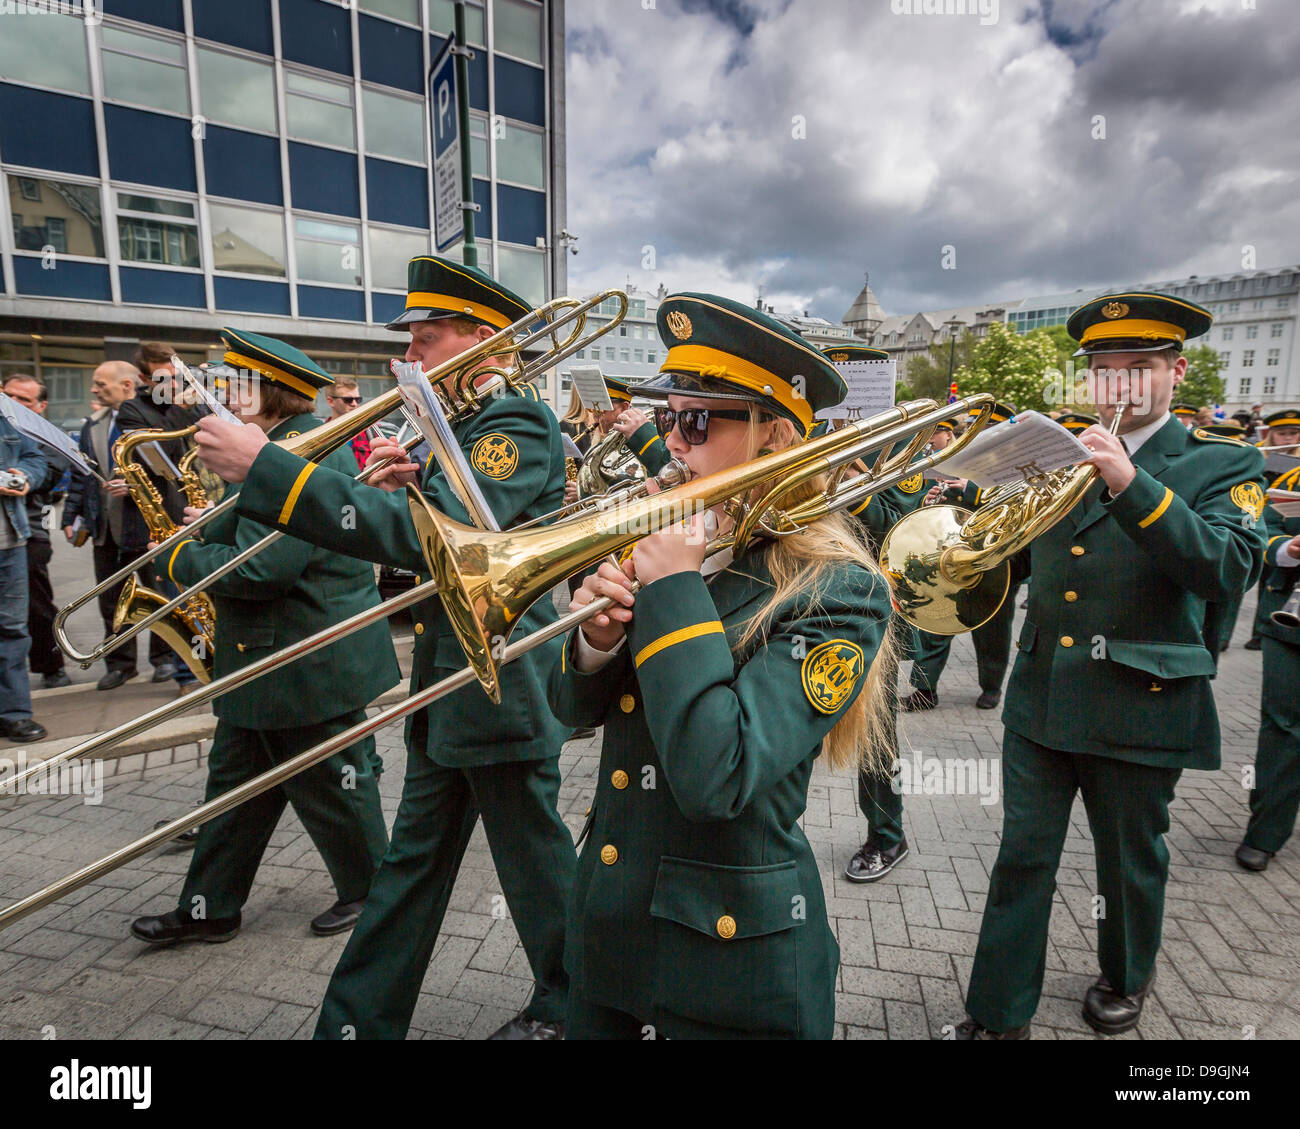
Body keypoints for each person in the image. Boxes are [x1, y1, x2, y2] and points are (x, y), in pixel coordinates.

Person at [193, 255, 576, 1041]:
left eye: (427, 340)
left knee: (535, 867)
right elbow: (424, 530)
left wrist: (270, 470)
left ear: (484, 339)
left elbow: (441, 544)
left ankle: (579, 1005)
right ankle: (358, 1020)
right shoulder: (460, 424)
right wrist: (403, 483)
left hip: (499, 678)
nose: (412, 358)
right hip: (452, 679)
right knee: (410, 869)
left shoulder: (516, 421)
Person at [551, 293, 897, 1039]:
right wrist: (597, 638)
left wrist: (672, 590)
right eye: (670, 417)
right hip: (612, 929)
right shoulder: (682, 540)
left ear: (774, 436)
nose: (673, 441)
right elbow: (573, 712)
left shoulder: (838, 589)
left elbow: (717, 773)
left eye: (699, 420)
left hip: (731, 962)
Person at [955, 292, 1265, 1040]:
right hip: (1043, 697)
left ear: (1177, 372)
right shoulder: (1055, 450)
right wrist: (971, 527)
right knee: (1022, 856)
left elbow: (1227, 567)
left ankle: (1126, 974)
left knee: (1129, 862)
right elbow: (1012, 566)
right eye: (1102, 369)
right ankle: (998, 1012)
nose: (1118, 383)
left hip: (1142, 696)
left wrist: (1130, 483)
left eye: (1140, 367)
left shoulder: (1221, 462)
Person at [129, 330, 398, 944]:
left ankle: (375, 891)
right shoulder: (269, 447)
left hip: (305, 658)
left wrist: (175, 560)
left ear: (266, 393)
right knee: (234, 792)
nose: (220, 392)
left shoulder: (298, 453)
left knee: (335, 786)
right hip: (266, 656)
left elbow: (261, 570)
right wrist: (211, 523)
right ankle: (210, 909)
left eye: (233, 383)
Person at [819, 343, 925, 883]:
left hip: (869, 608)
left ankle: (888, 835)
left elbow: (902, 529)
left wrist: (850, 481)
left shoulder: (900, 445)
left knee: (874, 736)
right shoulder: (807, 436)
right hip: (804, 597)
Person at [902, 401, 1023, 713]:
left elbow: (1017, 504)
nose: (977, 433)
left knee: (992, 630)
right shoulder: (960, 456)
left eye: (986, 429)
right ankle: (925, 688)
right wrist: (928, 500)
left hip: (994, 560)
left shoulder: (1018, 462)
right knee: (936, 621)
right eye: (975, 428)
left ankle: (992, 685)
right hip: (951, 555)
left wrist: (972, 491)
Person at [61, 362, 173, 690]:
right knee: (111, 600)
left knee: (156, 593)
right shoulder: (91, 425)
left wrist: (139, 484)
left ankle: (163, 658)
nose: (94, 390)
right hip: (105, 528)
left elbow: (168, 466)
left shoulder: (153, 416)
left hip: (146, 524)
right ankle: (120, 664)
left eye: (100, 384)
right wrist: (69, 516)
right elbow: (82, 474)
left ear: (126, 385)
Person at [1235, 415, 1300, 872]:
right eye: (1283, 434)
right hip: (1290, 620)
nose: (1289, 441)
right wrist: (1288, 549)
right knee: (1284, 726)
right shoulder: (1289, 477)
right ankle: (1266, 829)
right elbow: (1257, 532)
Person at [3, 375, 69, 688]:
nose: (14, 403)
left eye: (24, 400)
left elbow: (51, 473)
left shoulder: (46, 435)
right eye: (9, 395)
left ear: (41, 406)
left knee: (36, 602)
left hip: (33, 528)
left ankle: (51, 664)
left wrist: (24, 476)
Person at [0, 409, 49, 743]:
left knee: (13, 630)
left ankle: (14, 714)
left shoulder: (8, 417)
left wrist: (26, 475)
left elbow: (36, 458)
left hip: (9, 542)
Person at [1244, 409, 1300, 650]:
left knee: (1273, 581)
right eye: (1282, 434)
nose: (1288, 439)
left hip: (1283, 531)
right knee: (1257, 578)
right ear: (1271, 435)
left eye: (1294, 434)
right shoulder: (1260, 456)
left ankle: (1261, 629)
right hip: (1260, 523)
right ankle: (1254, 630)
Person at [325, 378, 372, 471]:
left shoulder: (371, 432)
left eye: (358, 399)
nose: (354, 404)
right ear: (330, 401)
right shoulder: (318, 434)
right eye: (348, 399)